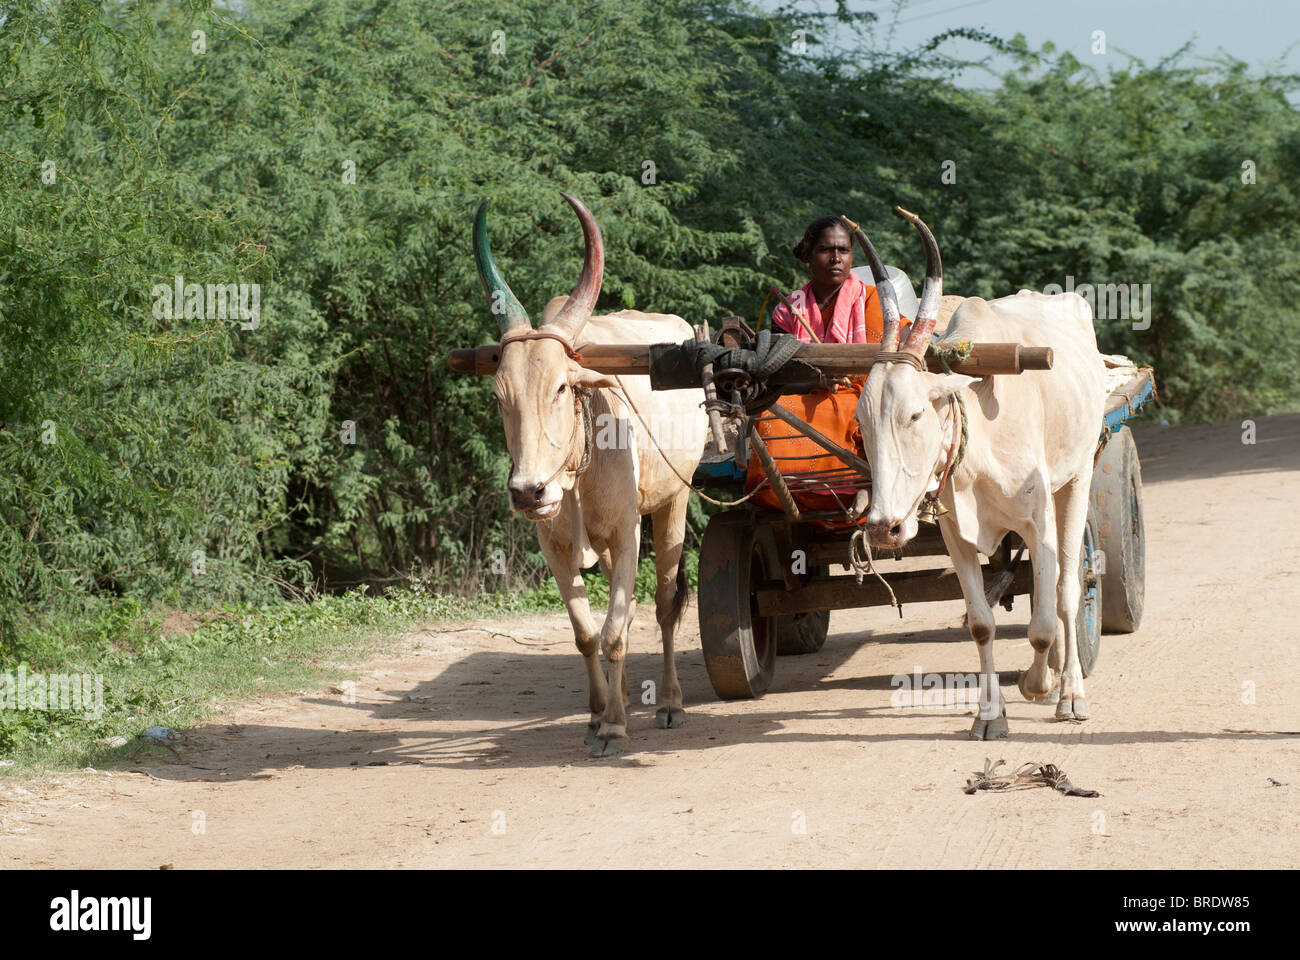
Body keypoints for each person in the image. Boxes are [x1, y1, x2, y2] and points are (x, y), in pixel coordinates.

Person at [772, 215, 900, 344]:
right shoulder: (788, 310)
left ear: (851, 257)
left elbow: (905, 348)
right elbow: (778, 358)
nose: (836, 258)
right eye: (825, 250)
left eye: (843, 250)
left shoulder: (873, 299)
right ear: (807, 255)